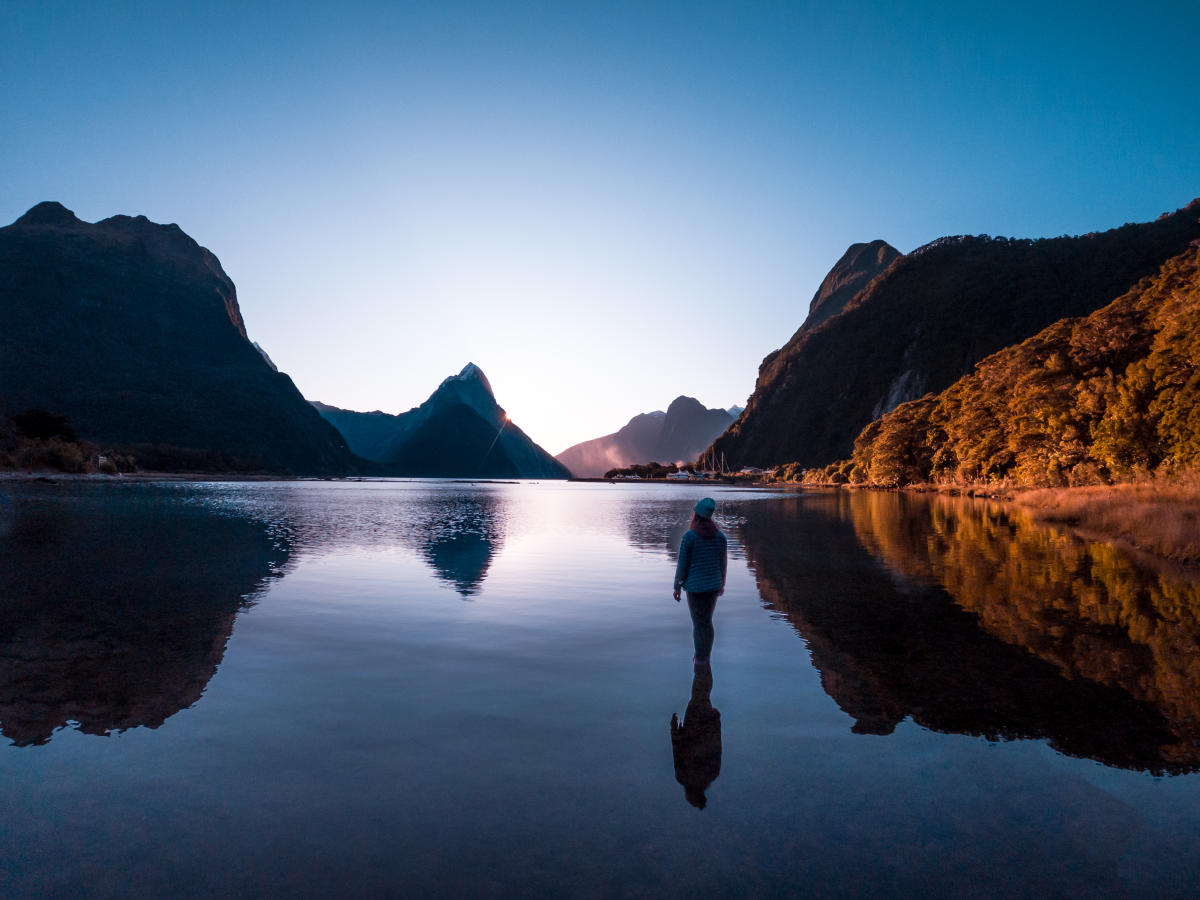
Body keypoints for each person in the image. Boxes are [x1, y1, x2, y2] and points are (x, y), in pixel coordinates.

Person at [673, 497, 727, 667]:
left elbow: (682, 565)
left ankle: (700, 659)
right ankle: (706, 656)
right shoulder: (720, 537)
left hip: (695, 588)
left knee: (698, 624)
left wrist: (677, 586)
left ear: (696, 515)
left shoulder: (689, 537)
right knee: (707, 621)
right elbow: (723, 564)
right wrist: (722, 583)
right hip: (713, 586)